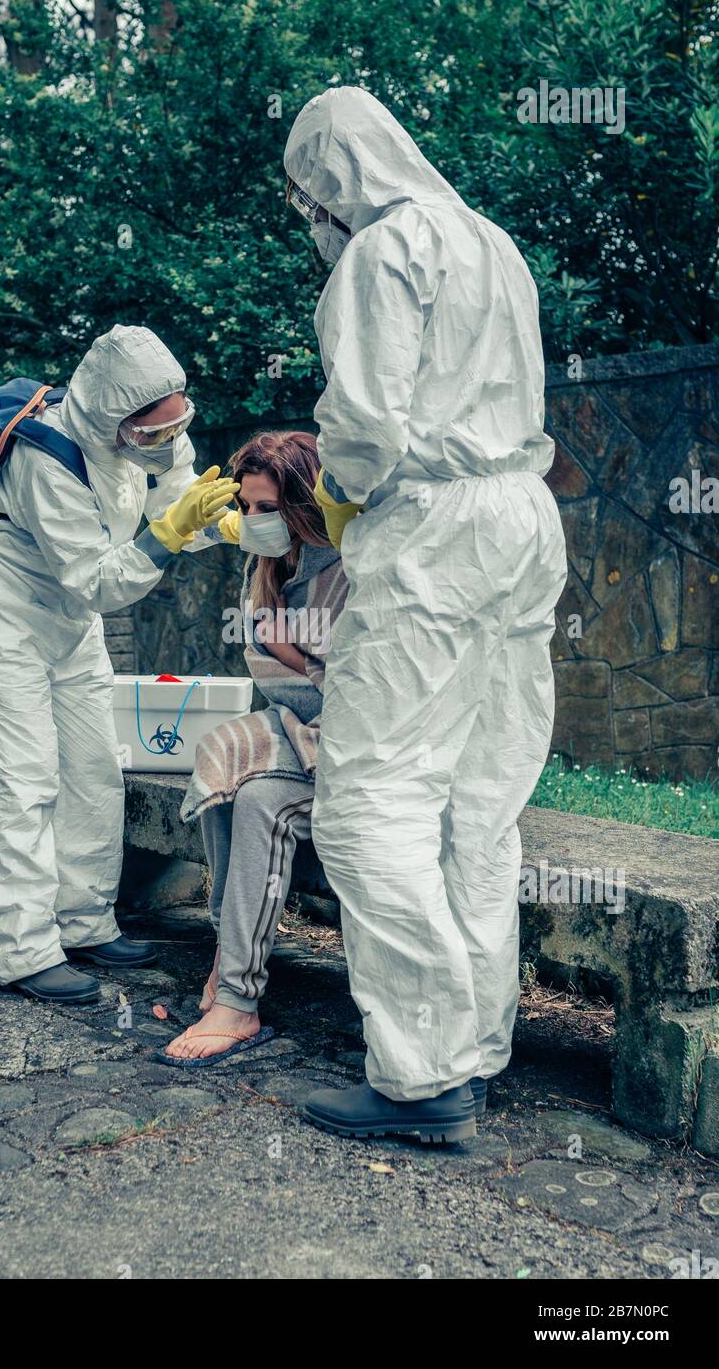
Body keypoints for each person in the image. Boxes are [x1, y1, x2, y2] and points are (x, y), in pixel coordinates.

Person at [283, 88, 568, 1142]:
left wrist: (345, 510)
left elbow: (362, 424)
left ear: (330, 177)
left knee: (368, 806)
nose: (310, 215)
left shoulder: (381, 252)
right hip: (524, 517)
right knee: (479, 802)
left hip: (435, 524)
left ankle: (421, 1075)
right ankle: (477, 1045)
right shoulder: (491, 241)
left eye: (307, 195)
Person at [0, 325, 238, 1004]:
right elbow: (100, 582)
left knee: (93, 764)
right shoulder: (47, 454)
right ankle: (18, 949)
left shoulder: (156, 424)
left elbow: (176, 496)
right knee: (25, 770)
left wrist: (224, 525)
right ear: (112, 419)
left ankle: (82, 918)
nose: (165, 442)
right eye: (151, 433)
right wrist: (166, 537)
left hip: (67, 615)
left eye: (175, 427)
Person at [158, 430, 348, 1067]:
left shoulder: (353, 571)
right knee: (222, 756)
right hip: (298, 729)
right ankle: (227, 949)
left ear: (308, 505)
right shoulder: (272, 562)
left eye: (271, 509)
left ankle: (238, 1000)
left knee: (262, 797)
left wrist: (291, 653)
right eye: (252, 508)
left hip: (354, 749)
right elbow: (191, 533)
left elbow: (366, 701)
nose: (257, 521)